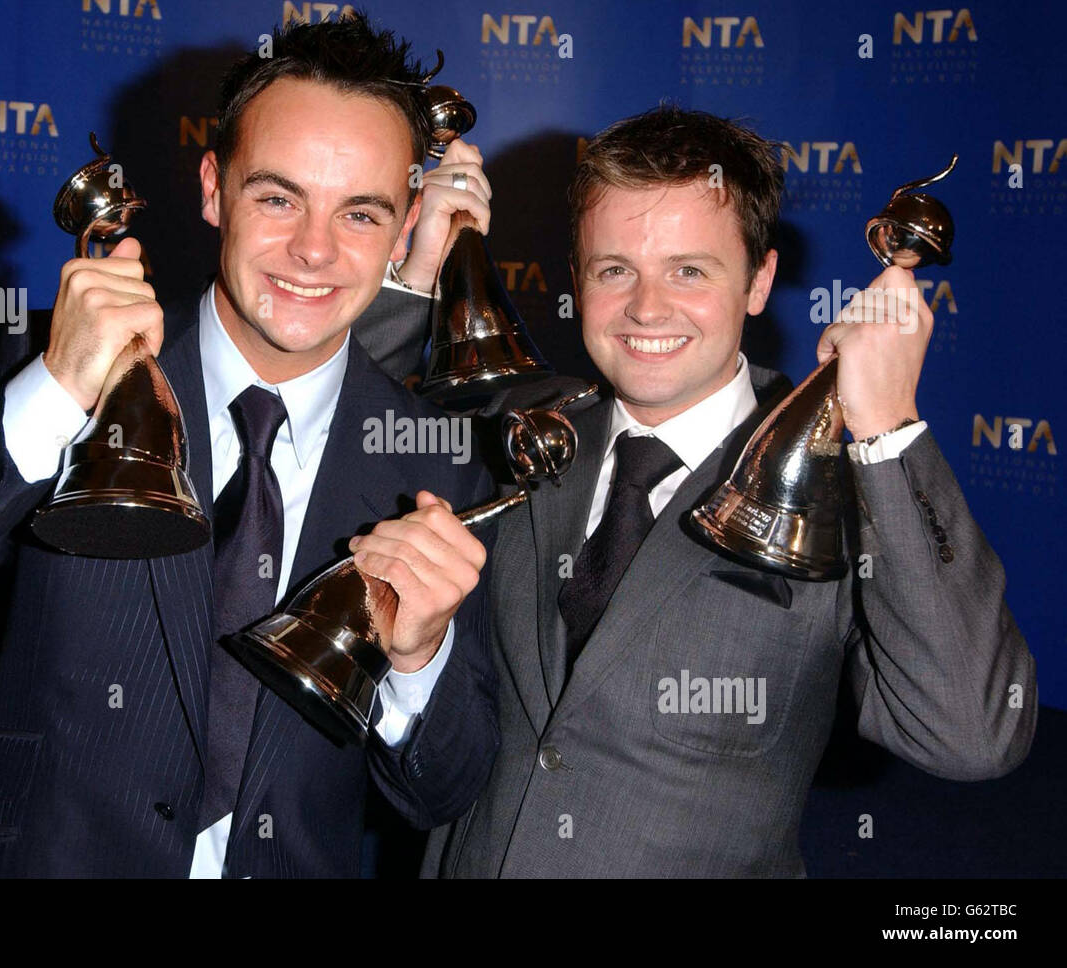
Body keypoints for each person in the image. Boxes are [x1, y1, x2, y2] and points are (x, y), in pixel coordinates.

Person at [0, 14, 500, 878]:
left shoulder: (437, 463)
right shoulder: (55, 372)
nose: (314, 250)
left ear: (405, 231)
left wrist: (417, 657)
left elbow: (441, 792)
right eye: (278, 197)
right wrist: (59, 390)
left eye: (360, 213)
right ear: (214, 190)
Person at [423, 105, 1037, 877]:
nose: (647, 308)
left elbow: (973, 735)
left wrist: (887, 426)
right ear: (576, 278)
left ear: (759, 281)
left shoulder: (846, 495)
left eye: (689, 270)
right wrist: (421, 264)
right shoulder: (522, 425)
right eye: (615, 269)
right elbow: (361, 407)